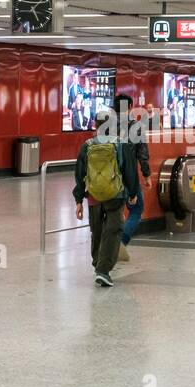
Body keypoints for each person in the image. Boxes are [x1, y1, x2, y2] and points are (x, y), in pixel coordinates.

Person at [73, 108, 139, 287]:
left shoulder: (87, 145)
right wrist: (132, 194)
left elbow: (79, 174)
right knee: (113, 230)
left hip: (94, 196)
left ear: (96, 125)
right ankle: (103, 270)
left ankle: (97, 265)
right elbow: (130, 172)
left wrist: (79, 200)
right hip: (115, 196)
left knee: (97, 231)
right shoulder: (121, 144)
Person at [113, 94, 151, 263]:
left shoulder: (106, 127)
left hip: (109, 177)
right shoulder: (135, 126)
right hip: (128, 176)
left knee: (114, 211)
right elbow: (142, 154)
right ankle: (121, 242)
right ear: (129, 107)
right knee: (136, 210)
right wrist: (147, 175)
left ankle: (106, 245)